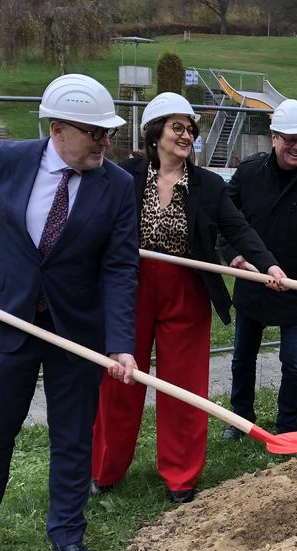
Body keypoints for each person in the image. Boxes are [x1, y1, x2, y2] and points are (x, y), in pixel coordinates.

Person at [0, 74, 139, 551]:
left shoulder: (117, 185)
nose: (105, 143)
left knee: (73, 438)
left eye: (108, 132)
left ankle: (67, 533)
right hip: (7, 319)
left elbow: (120, 269)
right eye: (95, 133)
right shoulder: (7, 161)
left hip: (76, 331)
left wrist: (119, 345)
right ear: (58, 129)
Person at [90, 92, 286, 504]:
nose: (186, 136)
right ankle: (105, 469)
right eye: (177, 127)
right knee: (120, 378)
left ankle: (181, 475)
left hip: (186, 290)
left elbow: (239, 229)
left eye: (191, 130)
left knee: (184, 385)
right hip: (131, 287)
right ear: (155, 132)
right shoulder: (123, 176)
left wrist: (268, 265)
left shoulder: (208, 186)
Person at [220, 99, 297, 440]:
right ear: (273, 138)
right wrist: (233, 254)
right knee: (242, 358)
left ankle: (287, 428)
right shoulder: (248, 173)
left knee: (294, 362)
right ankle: (241, 419)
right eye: (289, 139)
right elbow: (223, 220)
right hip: (253, 279)